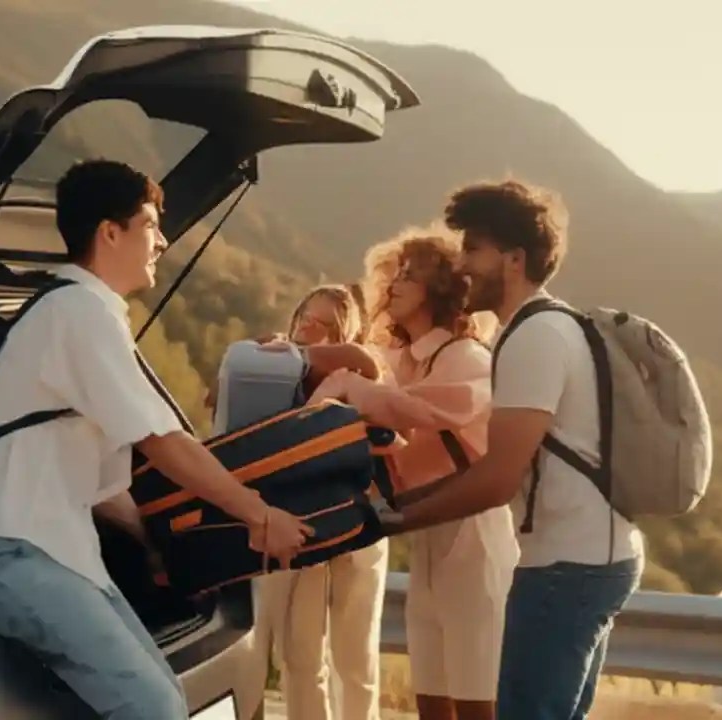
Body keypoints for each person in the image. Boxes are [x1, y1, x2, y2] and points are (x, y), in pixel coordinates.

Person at [0, 159, 312, 720]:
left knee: (165, 695)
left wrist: (156, 551)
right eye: (151, 225)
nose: (162, 241)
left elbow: (106, 490)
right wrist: (257, 513)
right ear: (110, 233)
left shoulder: (84, 312)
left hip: (48, 554)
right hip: (5, 554)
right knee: (151, 704)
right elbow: (163, 441)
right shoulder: (77, 311)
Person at [376, 180, 645, 720]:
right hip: (587, 559)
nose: (462, 265)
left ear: (515, 259)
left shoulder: (535, 337)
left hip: (567, 567)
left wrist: (395, 518)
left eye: (474, 249)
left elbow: (497, 477)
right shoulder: (541, 329)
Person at [305, 230, 518, 720]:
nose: (395, 283)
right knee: (432, 705)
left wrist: (350, 385)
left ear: (439, 287)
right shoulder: (404, 361)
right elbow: (363, 378)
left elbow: (414, 410)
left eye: (410, 274)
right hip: (424, 540)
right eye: (395, 273)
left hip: (473, 542)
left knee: (476, 707)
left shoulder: (466, 357)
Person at [247, 284, 388, 720]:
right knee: (302, 657)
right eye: (305, 316)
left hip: (360, 527)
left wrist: (298, 355)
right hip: (305, 527)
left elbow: (365, 364)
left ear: (344, 333)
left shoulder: (358, 376)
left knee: (356, 660)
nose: (308, 327)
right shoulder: (273, 374)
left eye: (323, 323)